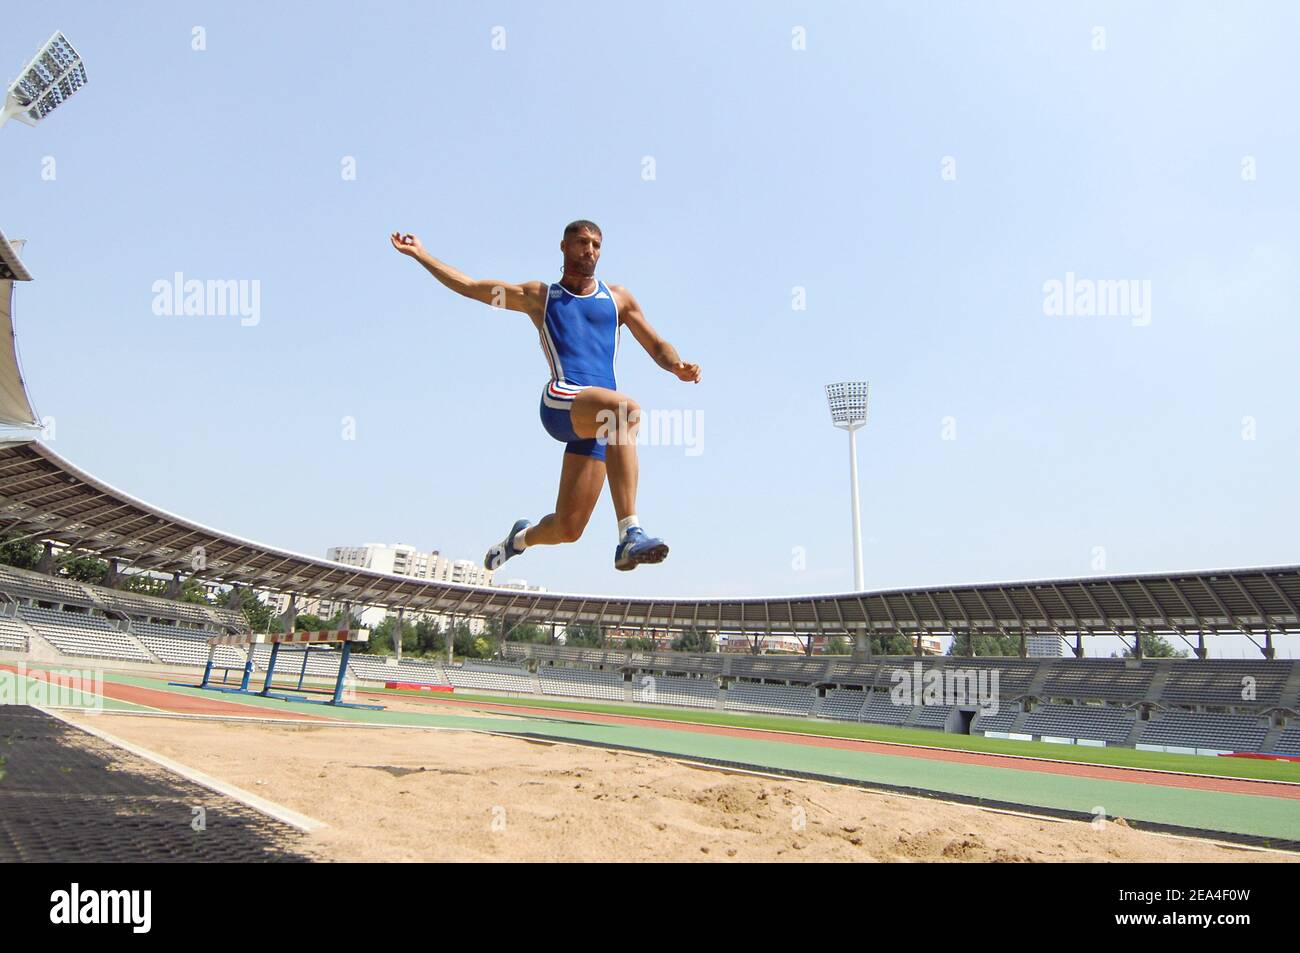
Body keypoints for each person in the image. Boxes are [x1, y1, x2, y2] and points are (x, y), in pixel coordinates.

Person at [390, 220, 701, 572]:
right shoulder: (540, 297)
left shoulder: (618, 299)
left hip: (601, 423)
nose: (590, 250)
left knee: (568, 528)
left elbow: (658, 345)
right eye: (582, 242)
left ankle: (517, 540)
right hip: (561, 399)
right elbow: (471, 287)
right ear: (564, 247)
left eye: (597, 244)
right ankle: (630, 533)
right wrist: (421, 254)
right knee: (625, 410)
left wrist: (676, 366)